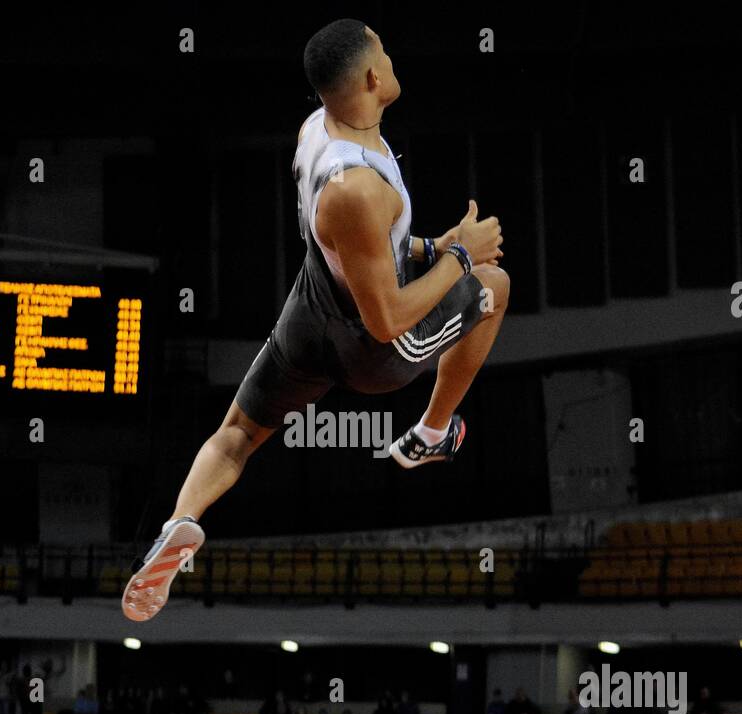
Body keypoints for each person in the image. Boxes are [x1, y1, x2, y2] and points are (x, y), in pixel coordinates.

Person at [122, 18, 507, 622]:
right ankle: (430, 434)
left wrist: (432, 247)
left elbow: (362, 252)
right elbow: (386, 320)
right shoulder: (358, 188)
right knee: (495, 286)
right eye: (384, 50)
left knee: (238, 433)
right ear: (374, 77)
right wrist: (463, 256)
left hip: (310, 310)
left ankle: (180, 520)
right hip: (371, 349)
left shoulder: (316, 130)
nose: (391, 55)